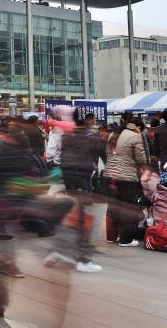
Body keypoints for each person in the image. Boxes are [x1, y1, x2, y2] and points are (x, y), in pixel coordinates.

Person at [44, 111, 107, 272]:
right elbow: (103, 158)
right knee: (88, 217)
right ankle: (83, 260)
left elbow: (60, 157)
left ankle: (57, 250)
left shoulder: (67, 137)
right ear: (87, 121)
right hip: (83, 179)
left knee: (74, 214)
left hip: (69, 178)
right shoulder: (92, 138)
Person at [103, 119, 147, 247]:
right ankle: (125, 240)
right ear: (136, 127)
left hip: (111, 175)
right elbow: (141, 159)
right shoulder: (135, 136)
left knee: (113, 206)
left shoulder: (112, 134)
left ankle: (111, 236)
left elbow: (107, 154)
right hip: (127, 177)